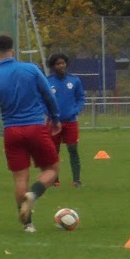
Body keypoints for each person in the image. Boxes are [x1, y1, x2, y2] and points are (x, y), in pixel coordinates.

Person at [0, 34, 60, 232]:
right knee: (51, 169)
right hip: (35, 126)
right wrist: (55, 118)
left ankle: (28, 225)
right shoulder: (31, 69)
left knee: (20, 179)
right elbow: (48, 95)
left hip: (12, 131)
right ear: (13, 51)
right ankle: (33, 194)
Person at [45, 53, 86, 187]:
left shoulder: (74, 80)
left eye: (63, 63)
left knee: (73, 149)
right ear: (53, 66)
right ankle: (54, 180)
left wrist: (75, 110)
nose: (61, 66)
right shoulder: (48, 81)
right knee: (53, 151)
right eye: (58, 64)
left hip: (70, 122)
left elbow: (80, 98)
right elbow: (41, 100)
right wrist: (49, 113)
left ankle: (77, 180)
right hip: (53, 123)